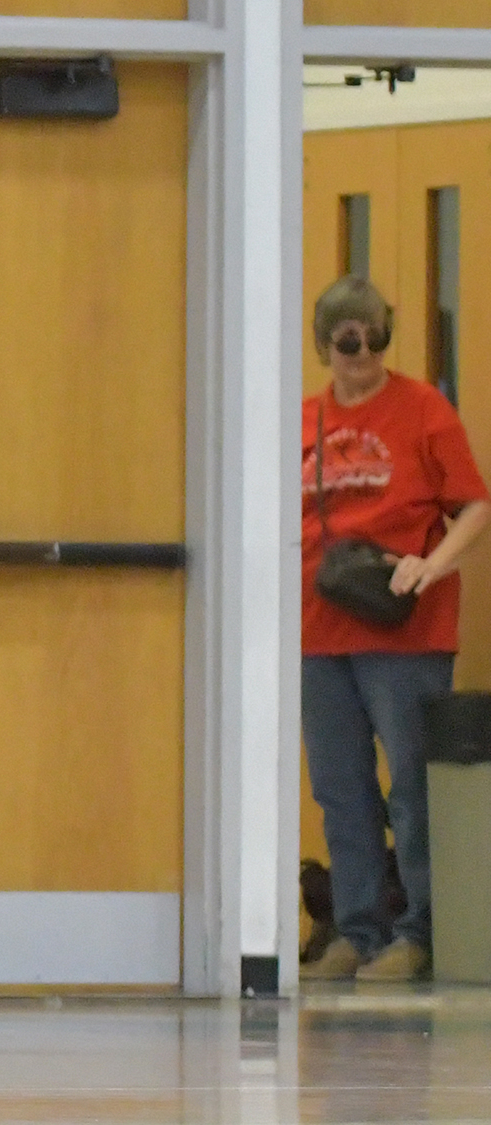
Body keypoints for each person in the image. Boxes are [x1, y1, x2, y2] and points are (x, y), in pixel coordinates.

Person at [298, 275, 491, 983]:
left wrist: (431, 565)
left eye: (376, 334)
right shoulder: (303, 418)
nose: (363, 350)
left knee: (410, 784)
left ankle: (420, 931)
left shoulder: (422, 410)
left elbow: (473, 504)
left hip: (404, 630)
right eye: (349, 338)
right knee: (341, 787)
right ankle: (358, 929)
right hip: (320, 629)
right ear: (325, 343)